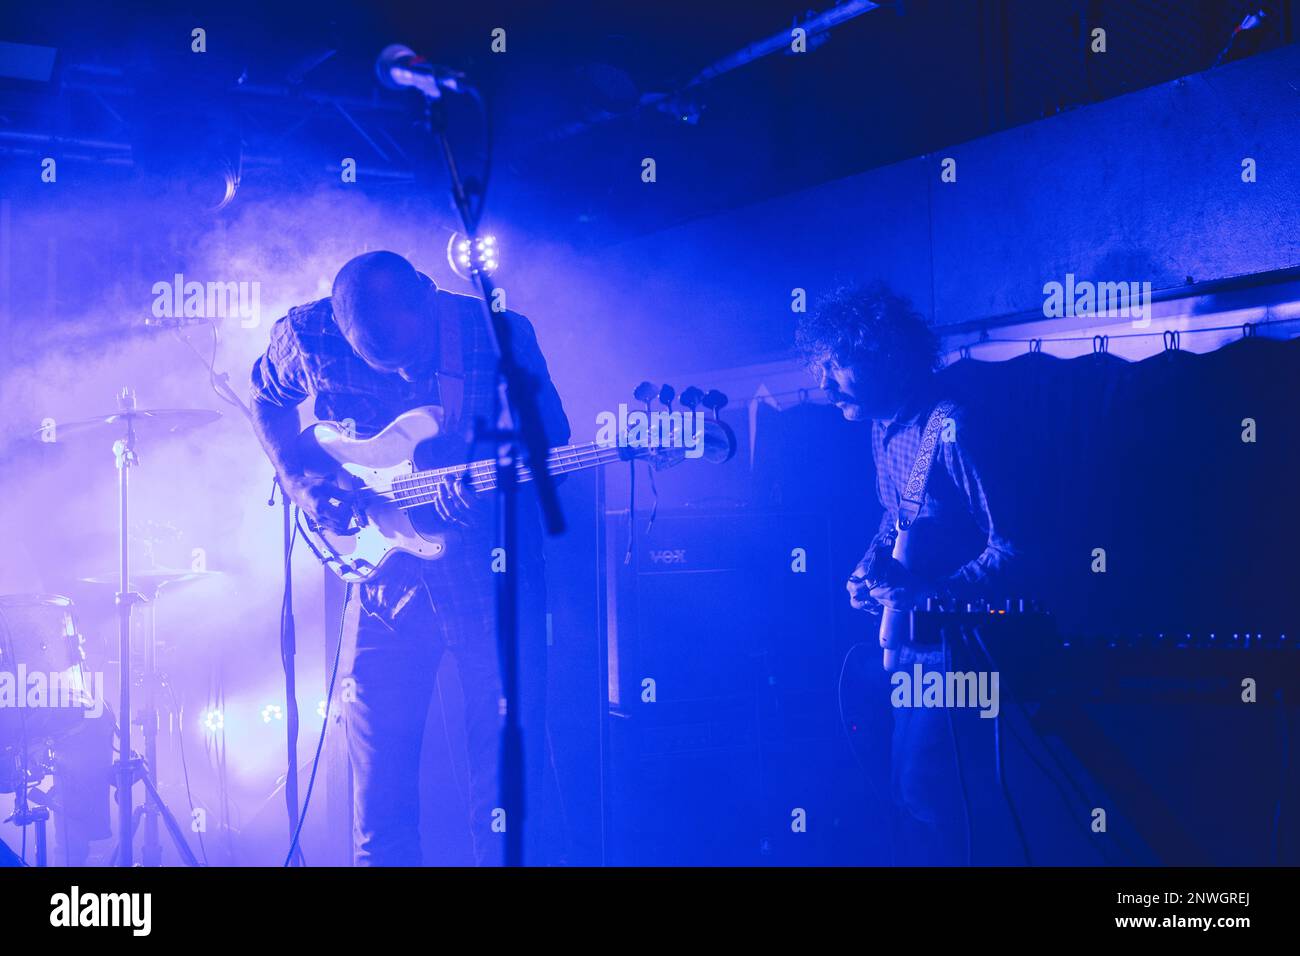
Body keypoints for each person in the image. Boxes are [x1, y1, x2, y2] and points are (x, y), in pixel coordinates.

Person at [249, 250, 568, 865]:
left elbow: (551, 435)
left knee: (505, 786)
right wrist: (302, 483)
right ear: (340, 330)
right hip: (384, 582)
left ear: (427, 295)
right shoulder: (305, 335)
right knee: (379, 797)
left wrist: (476, 465)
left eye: (410, 360)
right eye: (376, 363)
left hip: (488, 575)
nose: (399, 376)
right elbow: (265, 398)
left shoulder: (498, 333)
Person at [796, 282, 1017, 864]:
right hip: (909, 651)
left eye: (835, 367)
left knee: (933, 800)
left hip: (962, 653)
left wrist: (929, 593)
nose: (823, 385)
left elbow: (1016, 550)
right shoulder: (883, 429)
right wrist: (870, 565)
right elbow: (901, 517)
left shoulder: (954, 428)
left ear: (885, 358)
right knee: (901, 796)